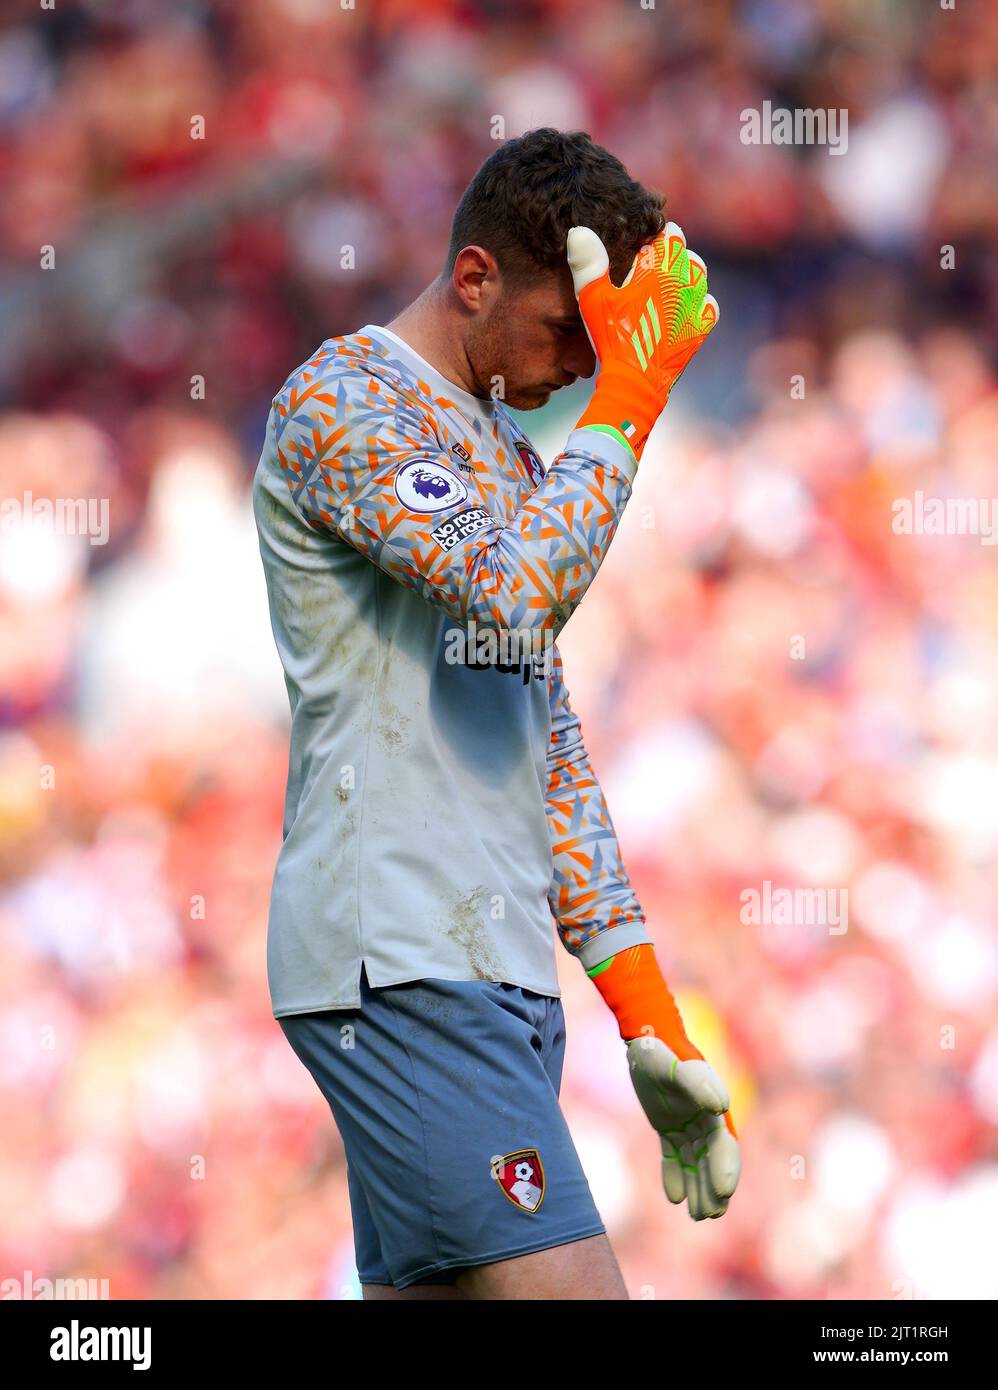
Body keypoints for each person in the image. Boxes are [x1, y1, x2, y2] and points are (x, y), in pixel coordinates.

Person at [253, 127, 739, 1301]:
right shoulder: (342, 401)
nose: (582, 366)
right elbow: (515, 598)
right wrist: (629, 400)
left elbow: (549, 762)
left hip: (495, 970)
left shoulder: (515, 462)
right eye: (570, 330)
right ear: (473, 278)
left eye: (607, 346)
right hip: (401, 957)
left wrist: (650, 1020)